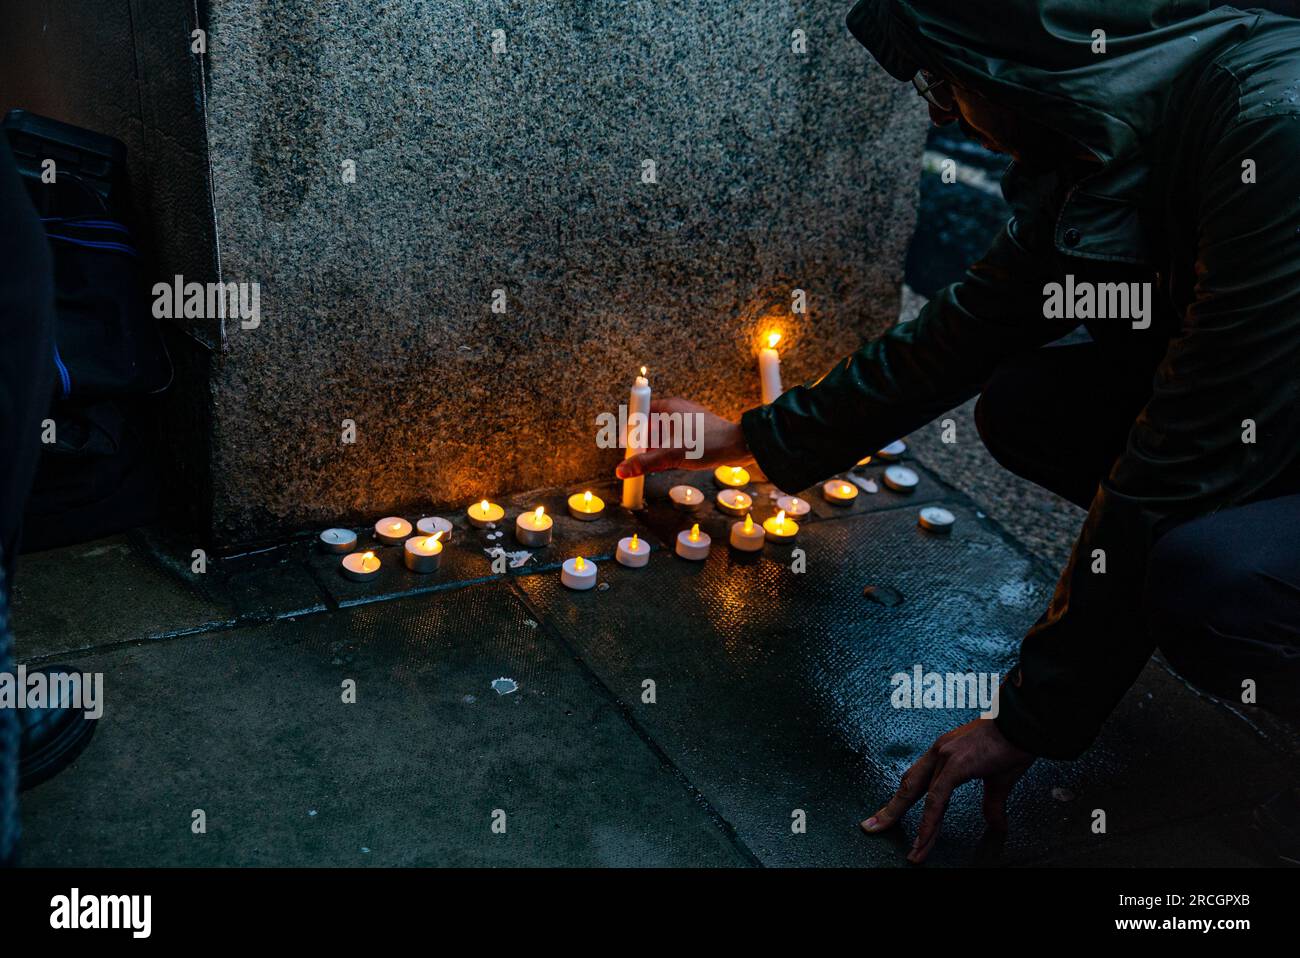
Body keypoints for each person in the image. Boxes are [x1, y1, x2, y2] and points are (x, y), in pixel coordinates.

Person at [618, 0, 1300, 864]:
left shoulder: (1271, 137)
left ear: (1018, 64)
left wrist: (1032, 717)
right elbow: (978, 322)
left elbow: (1185, 458)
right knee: (1031, 407)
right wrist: (754, 436)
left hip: (1255, 419)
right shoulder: (1119, 117)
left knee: (1214, 582)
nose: (939, 112)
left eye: (944, 81)